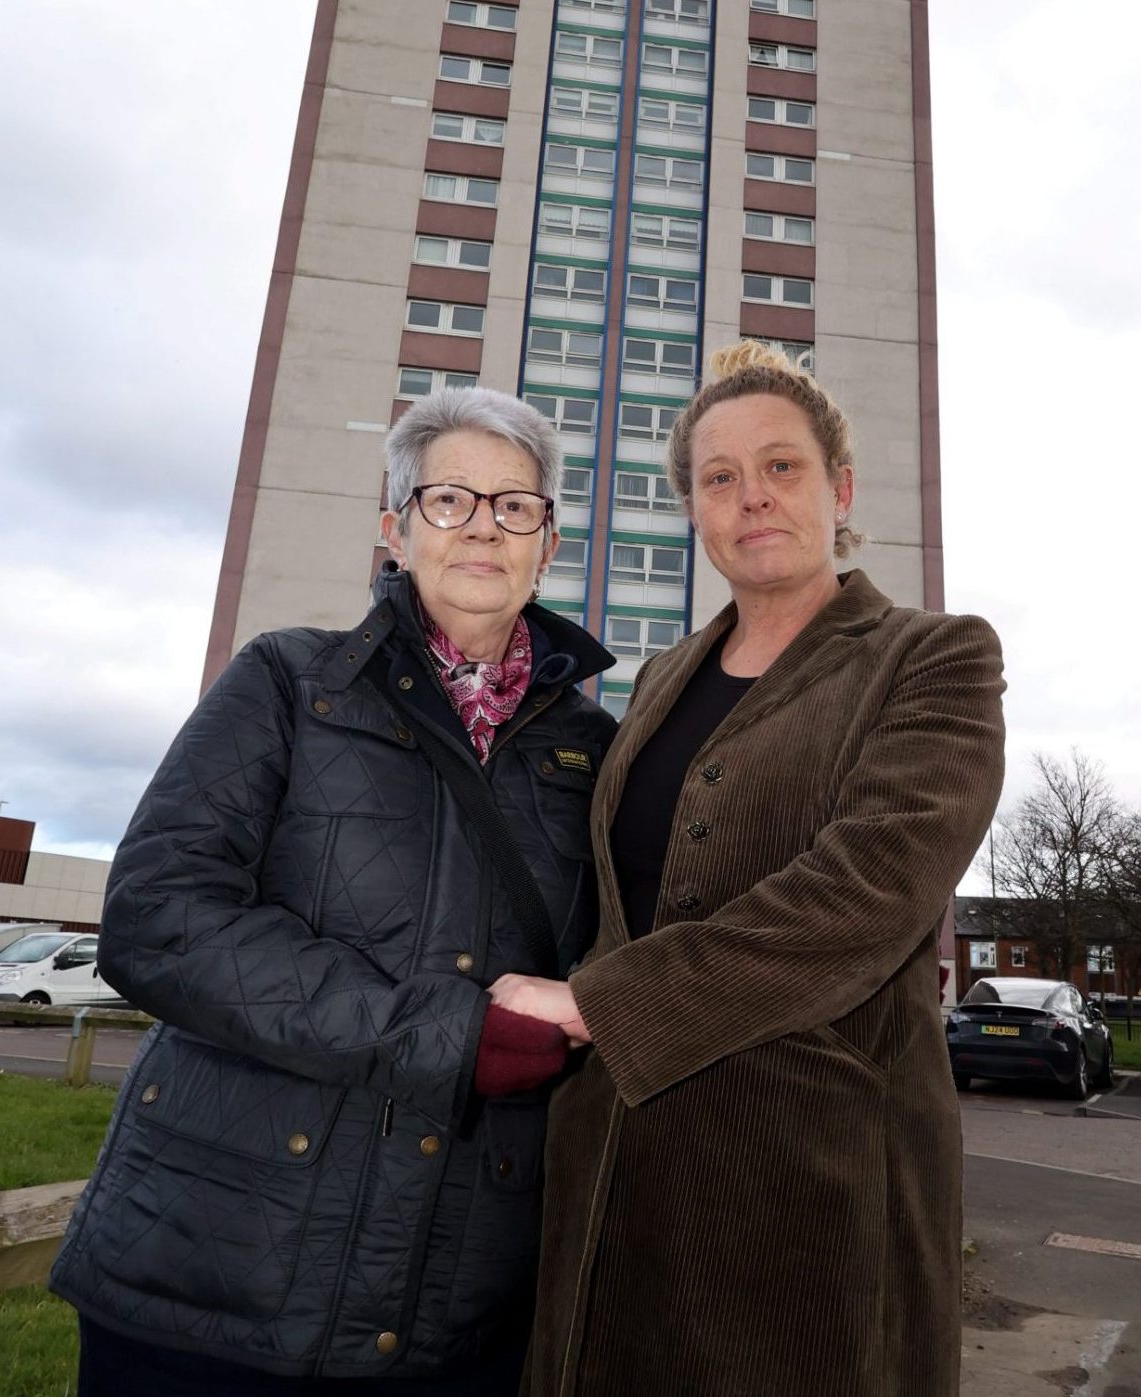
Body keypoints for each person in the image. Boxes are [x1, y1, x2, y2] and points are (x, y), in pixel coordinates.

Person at [50, 387, 617, 1394]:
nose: (482, 525)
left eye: (514, 505)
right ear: (396, 529)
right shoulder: (286, 680)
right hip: (214, 1274)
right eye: (449, 499)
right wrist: (444, 1036)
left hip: (456, 1307)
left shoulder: (594, 752)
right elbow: (157, 917)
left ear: (547, 542)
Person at [493, 342, 1007, 1397]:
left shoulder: (932, 658)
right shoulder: (659, 677)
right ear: (693, 508)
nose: (751, 495)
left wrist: (598, 1003)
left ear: (840, 488)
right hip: (609, 1177)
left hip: (802, 1199)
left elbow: (863, 896)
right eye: (718, 477)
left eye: (781, 466)